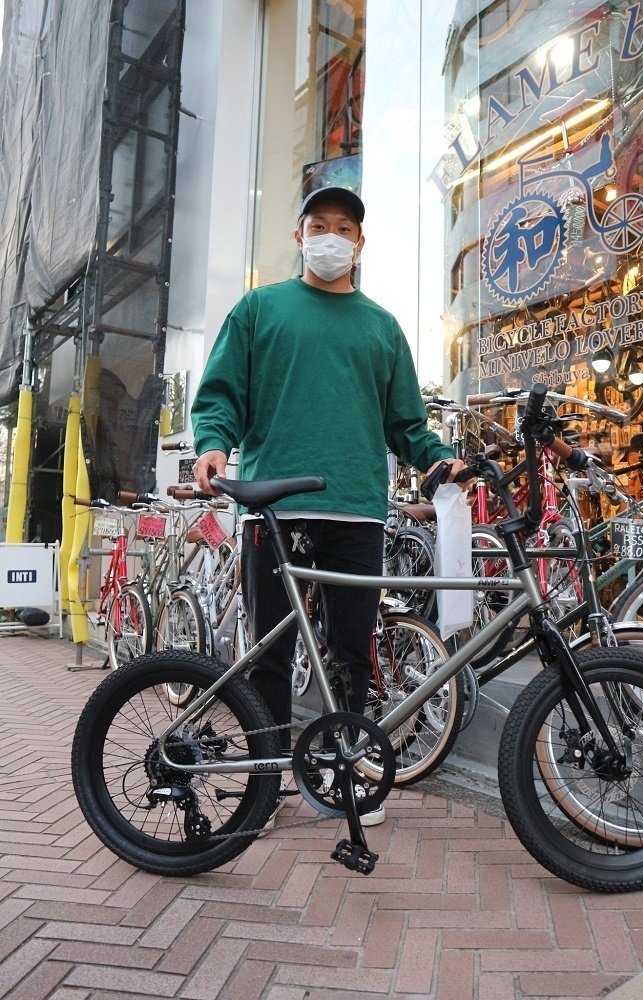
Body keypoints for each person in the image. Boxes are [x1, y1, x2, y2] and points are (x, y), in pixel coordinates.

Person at [191, 185, 466, 830]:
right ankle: (264, 782)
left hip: (357, 506)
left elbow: (407, 423)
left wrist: (437, 459)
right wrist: (212, 446)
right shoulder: (260, 311)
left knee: (351, 649)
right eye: (318, 225)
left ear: (360, 243)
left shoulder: (382, 328)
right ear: (299, 236)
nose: (331, 236)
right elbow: (222, 393)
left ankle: (346, 770)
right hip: (276, 506)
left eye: (343, 227)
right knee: (268, 649)